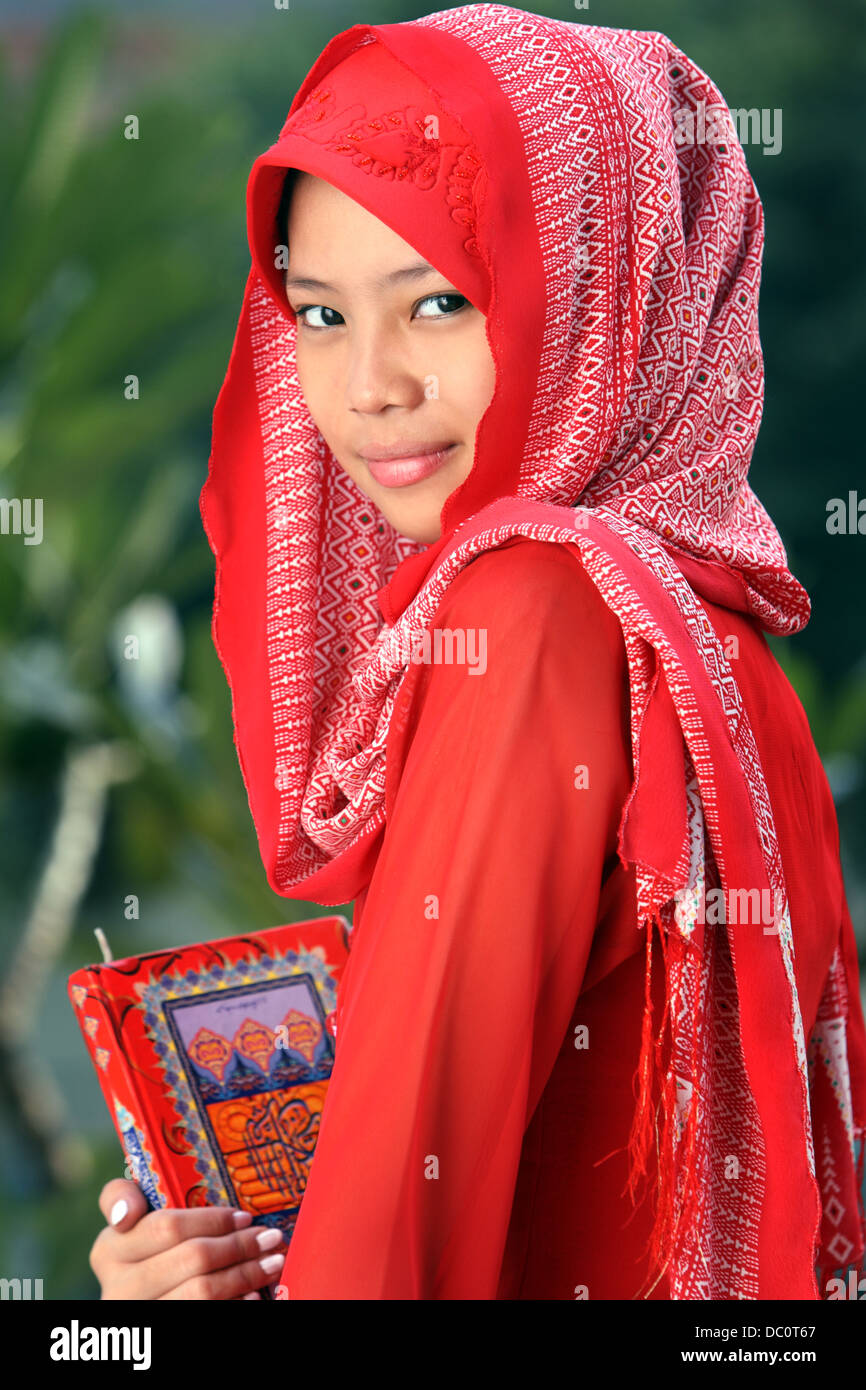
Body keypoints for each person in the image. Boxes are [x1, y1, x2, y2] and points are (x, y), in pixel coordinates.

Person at [89, 6, 866, 1300]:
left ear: (602, 291)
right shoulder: (702, 630)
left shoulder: (533, 611)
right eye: (322, 316)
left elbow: (394, 1239)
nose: (368, 386)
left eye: (438, 302)